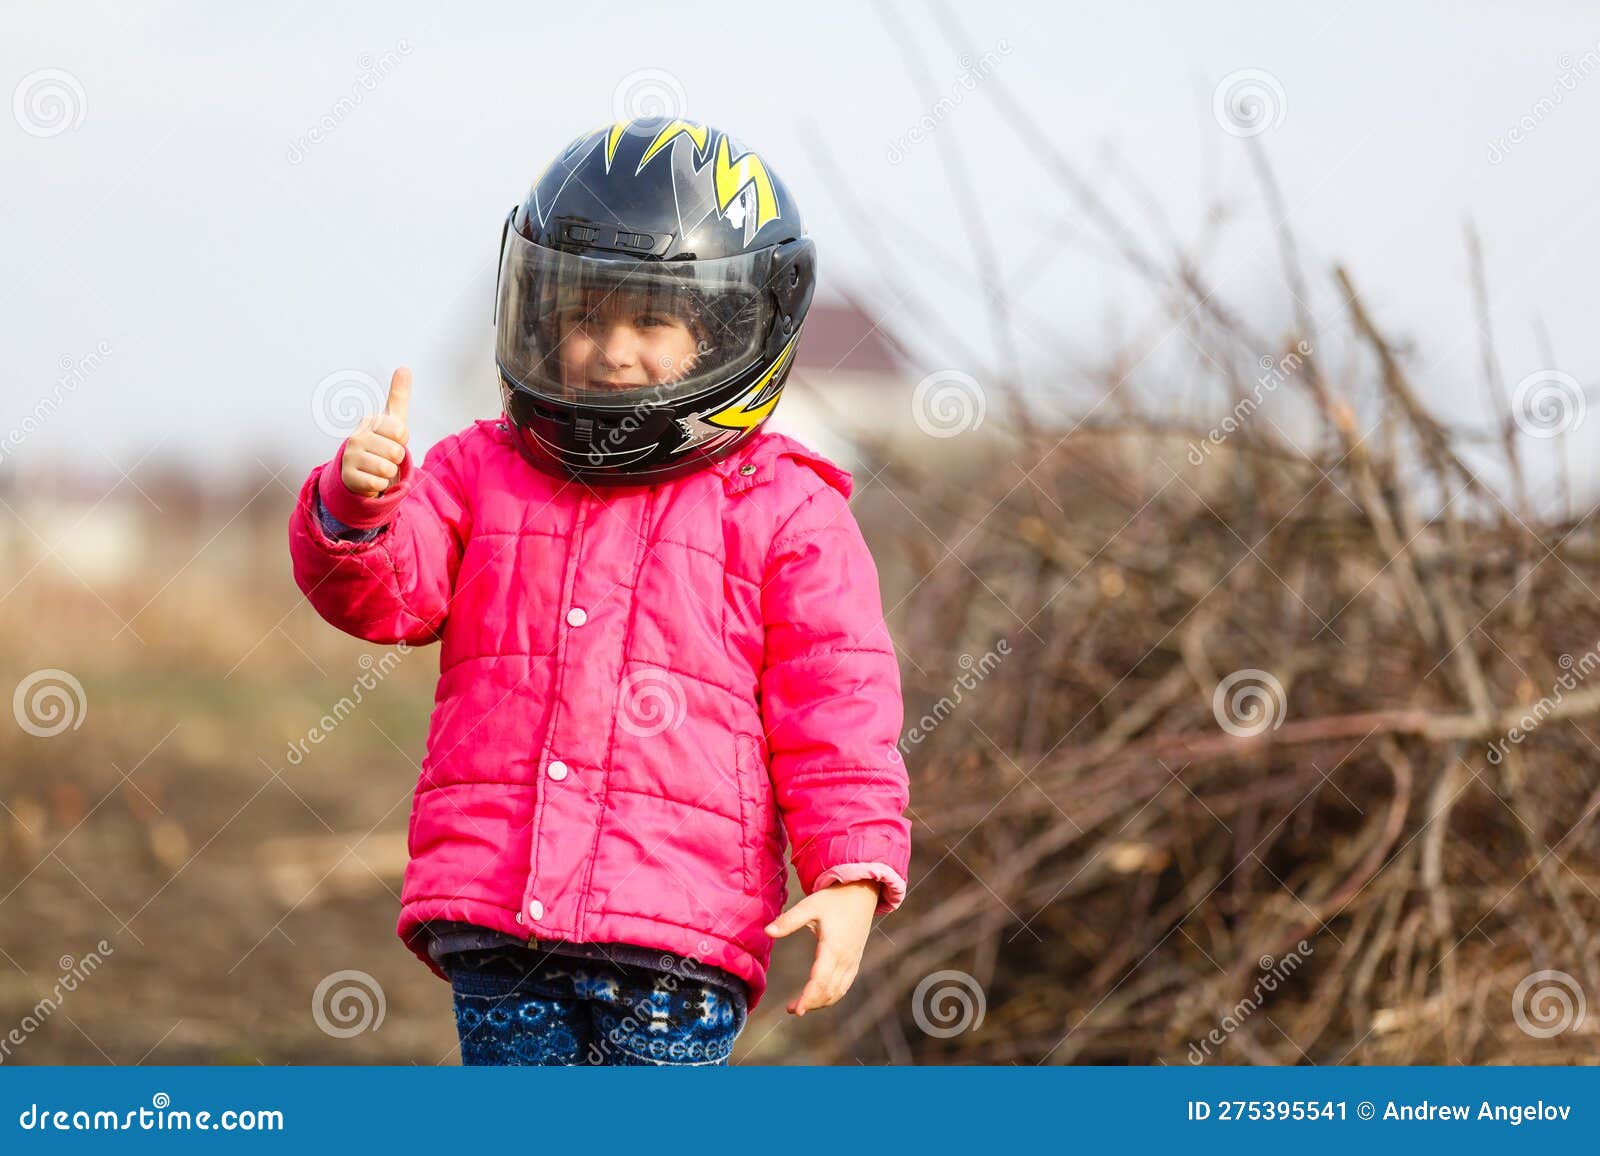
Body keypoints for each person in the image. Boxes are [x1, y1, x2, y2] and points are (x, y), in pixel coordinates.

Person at [287, 117, 911, 1065]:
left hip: (678, 934)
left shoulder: (785, 512)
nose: (611, 350)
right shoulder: (476, 472)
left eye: (650, 320)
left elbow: (838, 712)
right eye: (586, 316)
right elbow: (387, 600)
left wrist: (851, 875)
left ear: (728, 330)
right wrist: (358, 507)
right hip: (499, 918)